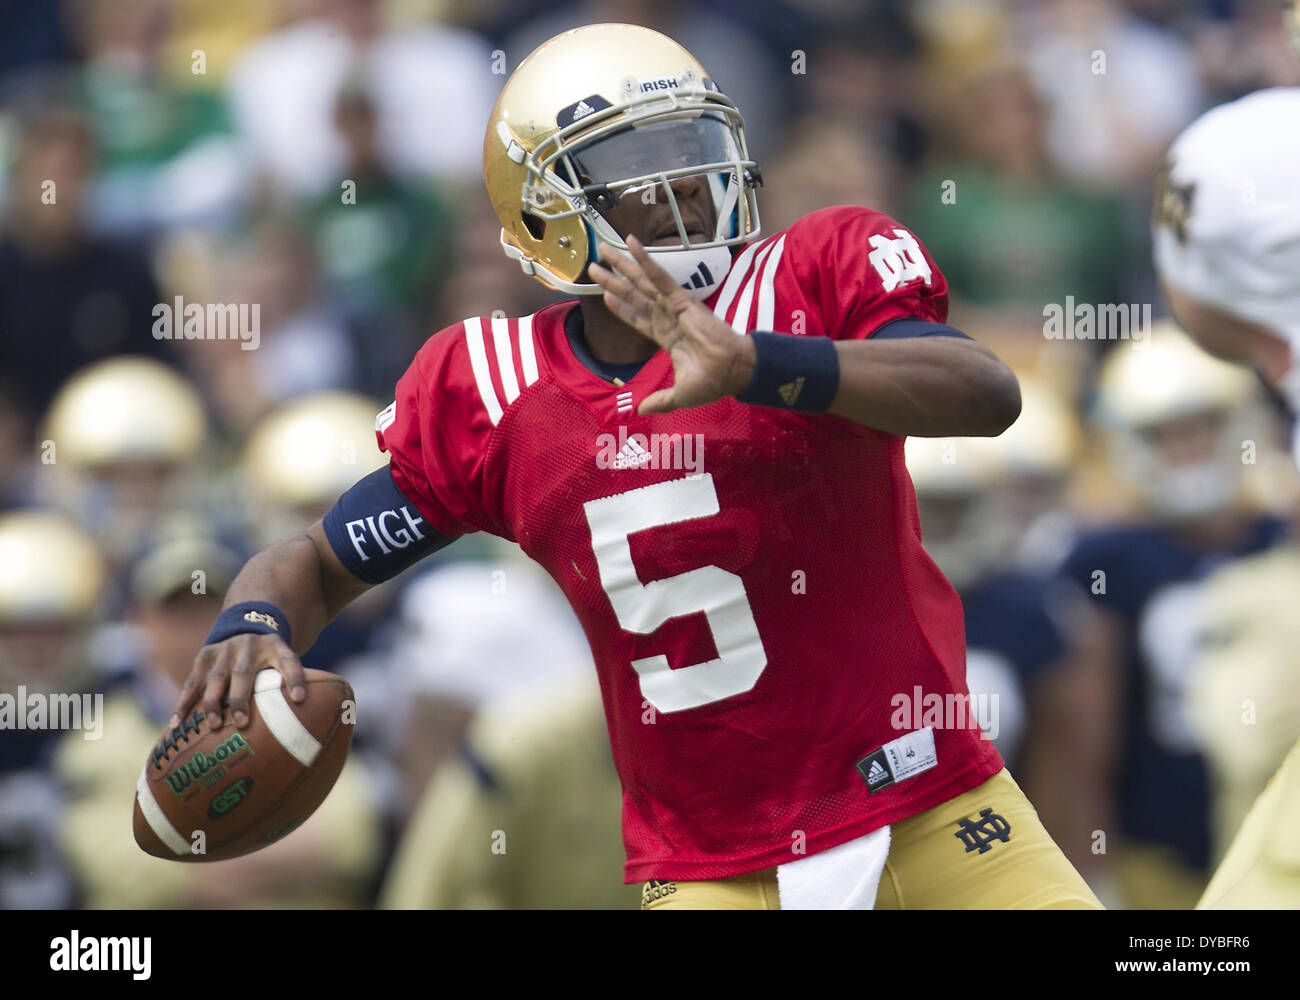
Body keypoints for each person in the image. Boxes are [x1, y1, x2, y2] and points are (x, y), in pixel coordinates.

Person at [172, 23, 1100, 910]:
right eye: (633, 164)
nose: (684, 184)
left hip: (932, 800)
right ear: (545, 208)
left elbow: (982, 392)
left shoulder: (811, 272)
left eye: (692, 145)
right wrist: (252, 620)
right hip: (712, 864)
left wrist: (758, 365)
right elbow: (320, 561)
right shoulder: (493, 390)